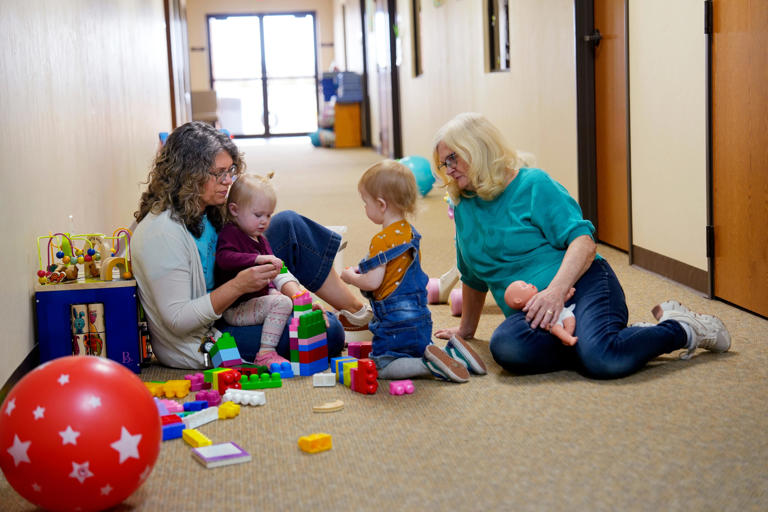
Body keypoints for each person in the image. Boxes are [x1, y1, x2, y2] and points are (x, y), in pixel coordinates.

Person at [432, 112, 731, 379]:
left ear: (479, 149)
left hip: (583, 284)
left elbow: (584, 243)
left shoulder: (532, 185)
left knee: (603, 361)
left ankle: (682, 328)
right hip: (536, 310)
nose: (449, 170)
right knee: (508, 348)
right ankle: (604, 337)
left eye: (453, 158)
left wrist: (556, 292)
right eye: (444, 163)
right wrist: (466, 330)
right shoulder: (463, 206)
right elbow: (472, 275)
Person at [131, 121, 369, 369]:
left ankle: (355, 311)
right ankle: (337, 320)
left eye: (230, 171)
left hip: (236, 294)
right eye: (219, 174)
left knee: (288, 225)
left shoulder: (208, 205)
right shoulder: (162, 234)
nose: (228, 181)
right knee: (329, 334)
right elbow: (178, 320)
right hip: (207, 332)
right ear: (189, 174)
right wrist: (238, 286)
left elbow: (259, 251)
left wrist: (302, 299)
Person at [340, 160, 487, 382]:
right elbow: (396, 270)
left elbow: (373, 283)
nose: (364, 208)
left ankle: (428, 366)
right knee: (417, 348)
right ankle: (455, 356)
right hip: (421, 317)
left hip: (395, 321)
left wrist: (351, 277)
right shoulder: (410, 233)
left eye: (366, 202)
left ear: (381, 205)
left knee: (383, 365)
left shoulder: (381, 240)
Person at [214, 173, 297, 367]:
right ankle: (266, 353)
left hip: (254, 303)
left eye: (268, 215)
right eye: (258, 215)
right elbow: (224, 259)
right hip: (235, 309)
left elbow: (275, 273)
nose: (264, 221)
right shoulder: (231, 232)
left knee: (288, 305)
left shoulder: (261, 239)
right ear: (234, 210)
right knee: (282, 304)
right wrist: (257, 259)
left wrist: (298, 297)